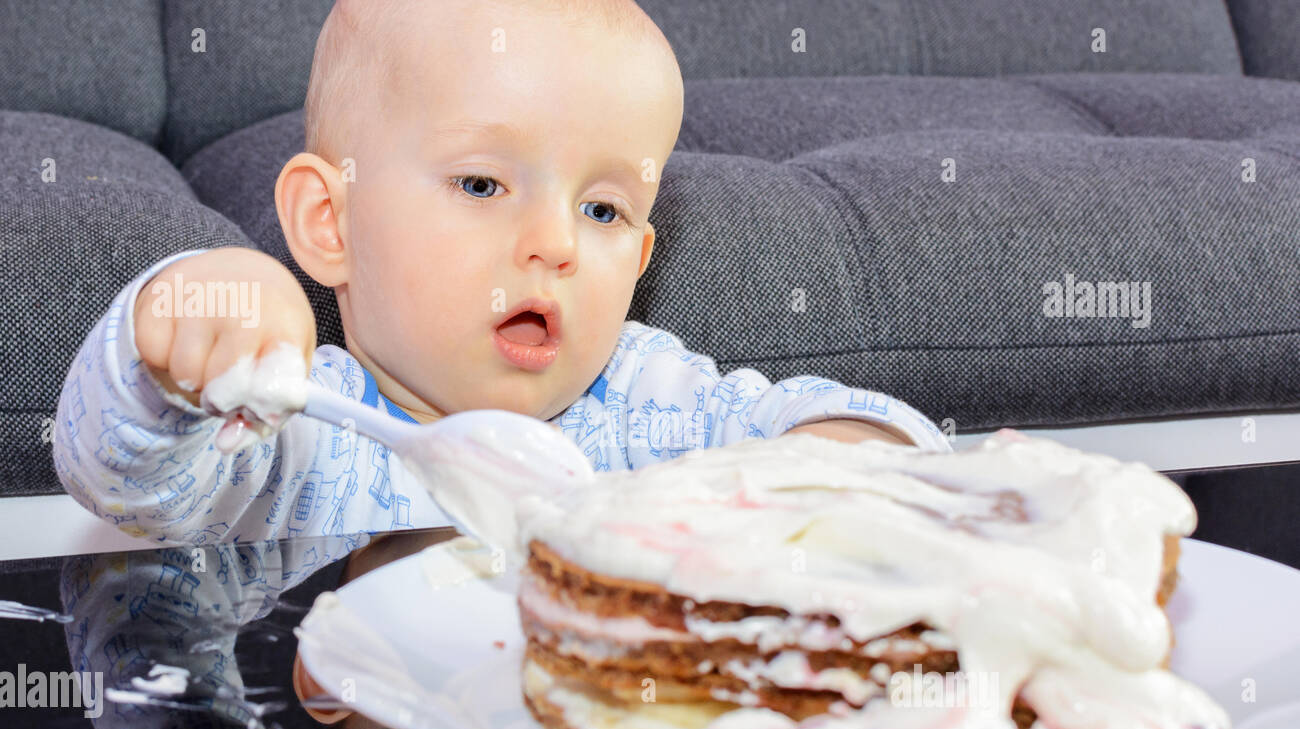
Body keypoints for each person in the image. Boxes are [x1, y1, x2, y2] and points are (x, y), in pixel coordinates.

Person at [53, 0, 950, 548]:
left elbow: (845, 426)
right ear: (332, 224)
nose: (555, 242)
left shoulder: (649, 406)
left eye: (603, 210)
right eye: (482, 183)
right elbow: (129, 482)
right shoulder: (291, 433)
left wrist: (836, 472)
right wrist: (188, 327)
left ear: (640, 262)